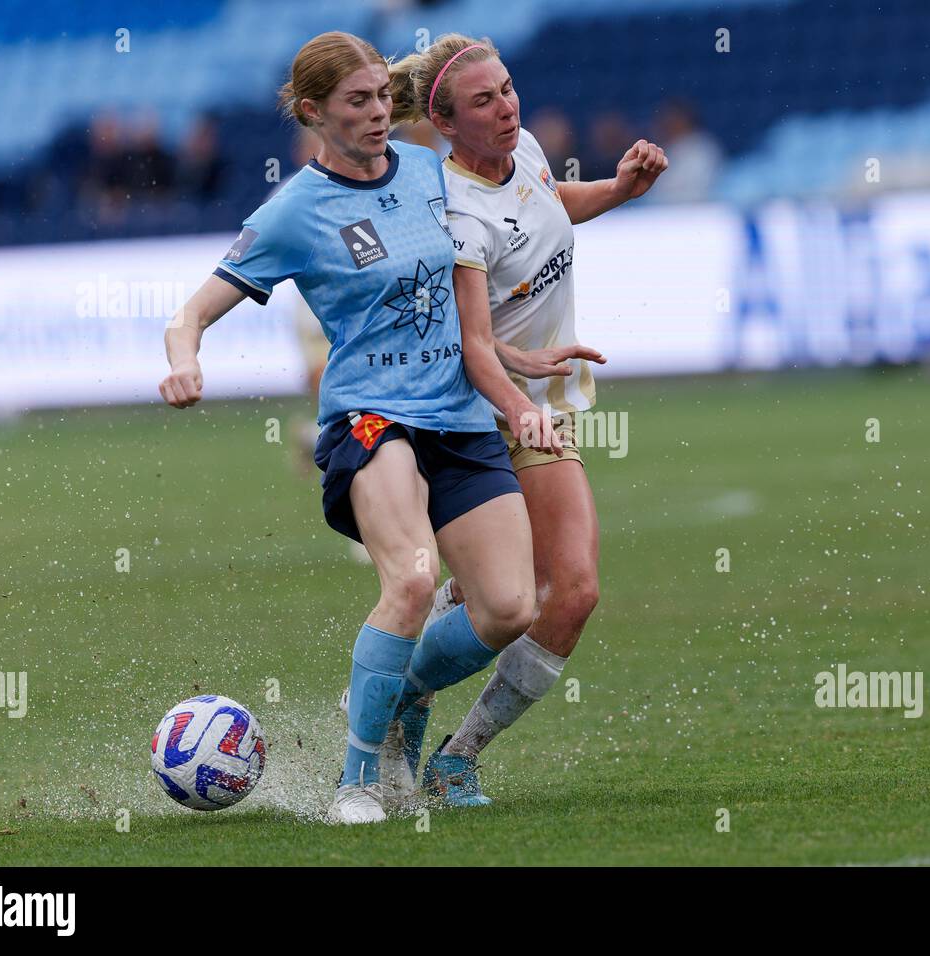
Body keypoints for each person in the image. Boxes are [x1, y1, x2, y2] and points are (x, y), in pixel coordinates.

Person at [158, 31, 563, 824]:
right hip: (370, 417)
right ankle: (358, 782)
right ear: (313, 113)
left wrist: (612, 195)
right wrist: (183, 362)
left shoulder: (429, 169)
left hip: (458, 414)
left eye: (382, 96)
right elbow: (191, 314)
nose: (379, 112)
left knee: (511, 608)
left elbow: (497, 250)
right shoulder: (294, 212)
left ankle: (391, 691)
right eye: (358, 101)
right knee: (411, 580)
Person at [378, 33, 667, 805]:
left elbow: (546, 205)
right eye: (484, 101)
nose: (506, 107)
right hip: (475, 416)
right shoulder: (457, 215)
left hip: (535, 407)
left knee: (572, 593)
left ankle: (454, 753)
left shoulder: (522, 148)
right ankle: (398, 699)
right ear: (446, 124)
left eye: (507, 89)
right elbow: (474, 346)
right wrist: (519, 406)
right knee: (517, 598)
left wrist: (618, 190)